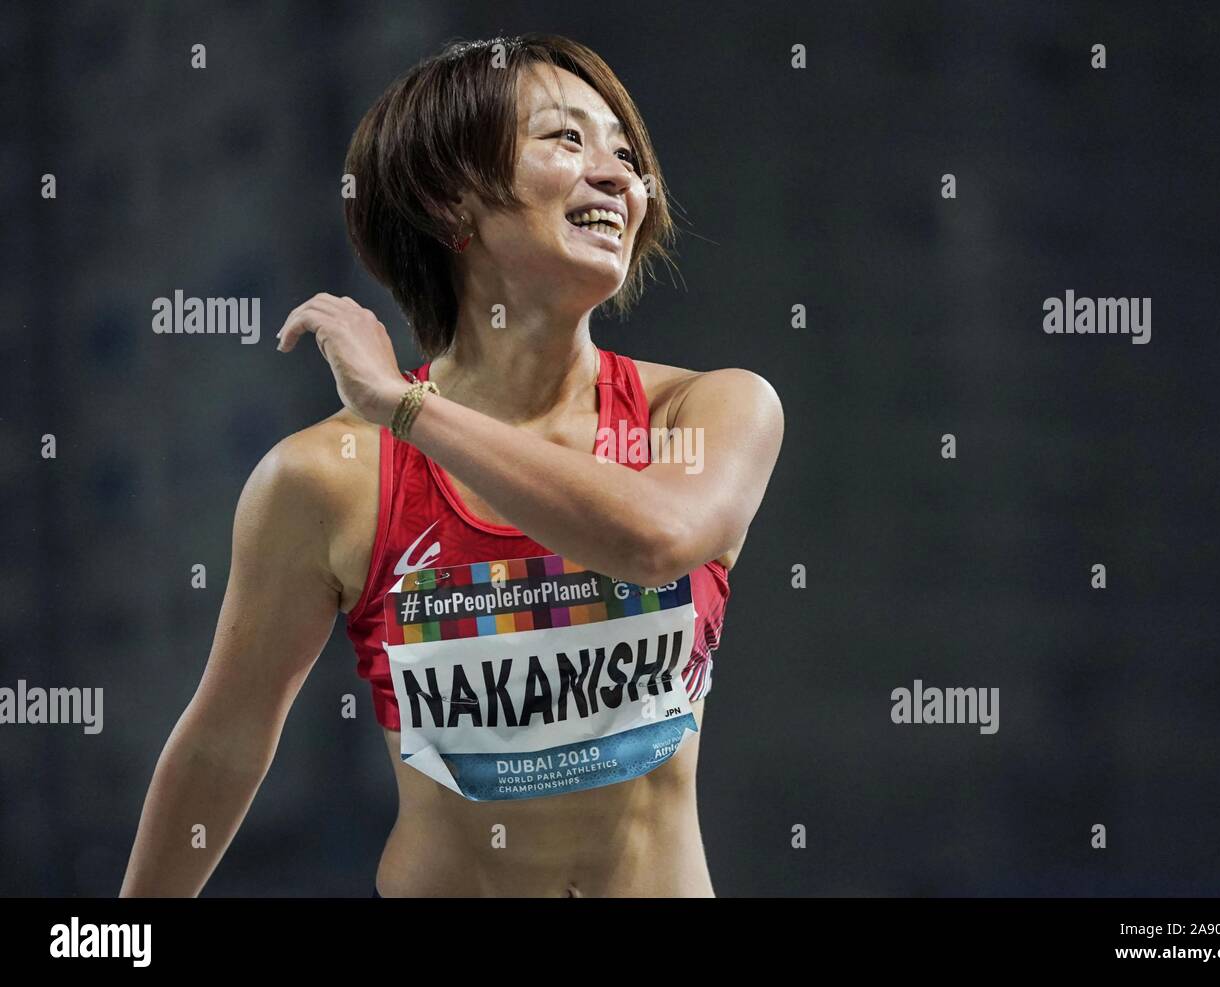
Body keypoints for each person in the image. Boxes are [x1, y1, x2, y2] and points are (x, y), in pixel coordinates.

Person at [121, 34, 783, 898]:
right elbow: (225, 739)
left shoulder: (710, 412)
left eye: (625, 152)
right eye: (566, 139)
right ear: (448, 202)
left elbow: (655, 539)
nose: (619, 175)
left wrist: (406, 406)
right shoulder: (327, 478)